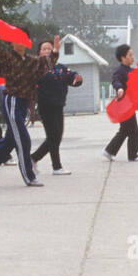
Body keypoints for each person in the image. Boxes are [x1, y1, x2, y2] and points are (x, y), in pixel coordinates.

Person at [0, 25, 59, 188]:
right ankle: (29, 177)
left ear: (27, 42)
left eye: (22, 39)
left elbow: (47, 63)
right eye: (15, 39)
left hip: (23, 104)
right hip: (11, 101)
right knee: (23, 140)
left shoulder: (32, 61)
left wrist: (55, 51)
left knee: (9, 142)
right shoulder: (7, 58)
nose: (19, 42)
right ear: (11, 43)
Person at [31, 41, 83, 175]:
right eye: (44, 48)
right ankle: (55, 166)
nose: (47, 50)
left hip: (58, 106)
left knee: (56, 137)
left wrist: (77, 78)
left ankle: (35, 159)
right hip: (45, 106)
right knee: (53, 136)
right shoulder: (37, 68)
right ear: (39, 52)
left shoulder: (61, 68)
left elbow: (72, 77)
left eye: (50, 48)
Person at [103, 44, 138, 162]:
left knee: (125, 130)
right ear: (122, 57)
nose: (133, 57)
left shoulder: (131, 70)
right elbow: (115, 81)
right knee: (132, 131)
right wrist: (119, 88)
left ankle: (110, 151)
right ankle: (132, 155)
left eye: (132, 55)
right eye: (130, 55)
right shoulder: (120, 71)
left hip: (129, 105)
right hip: (124, 105)